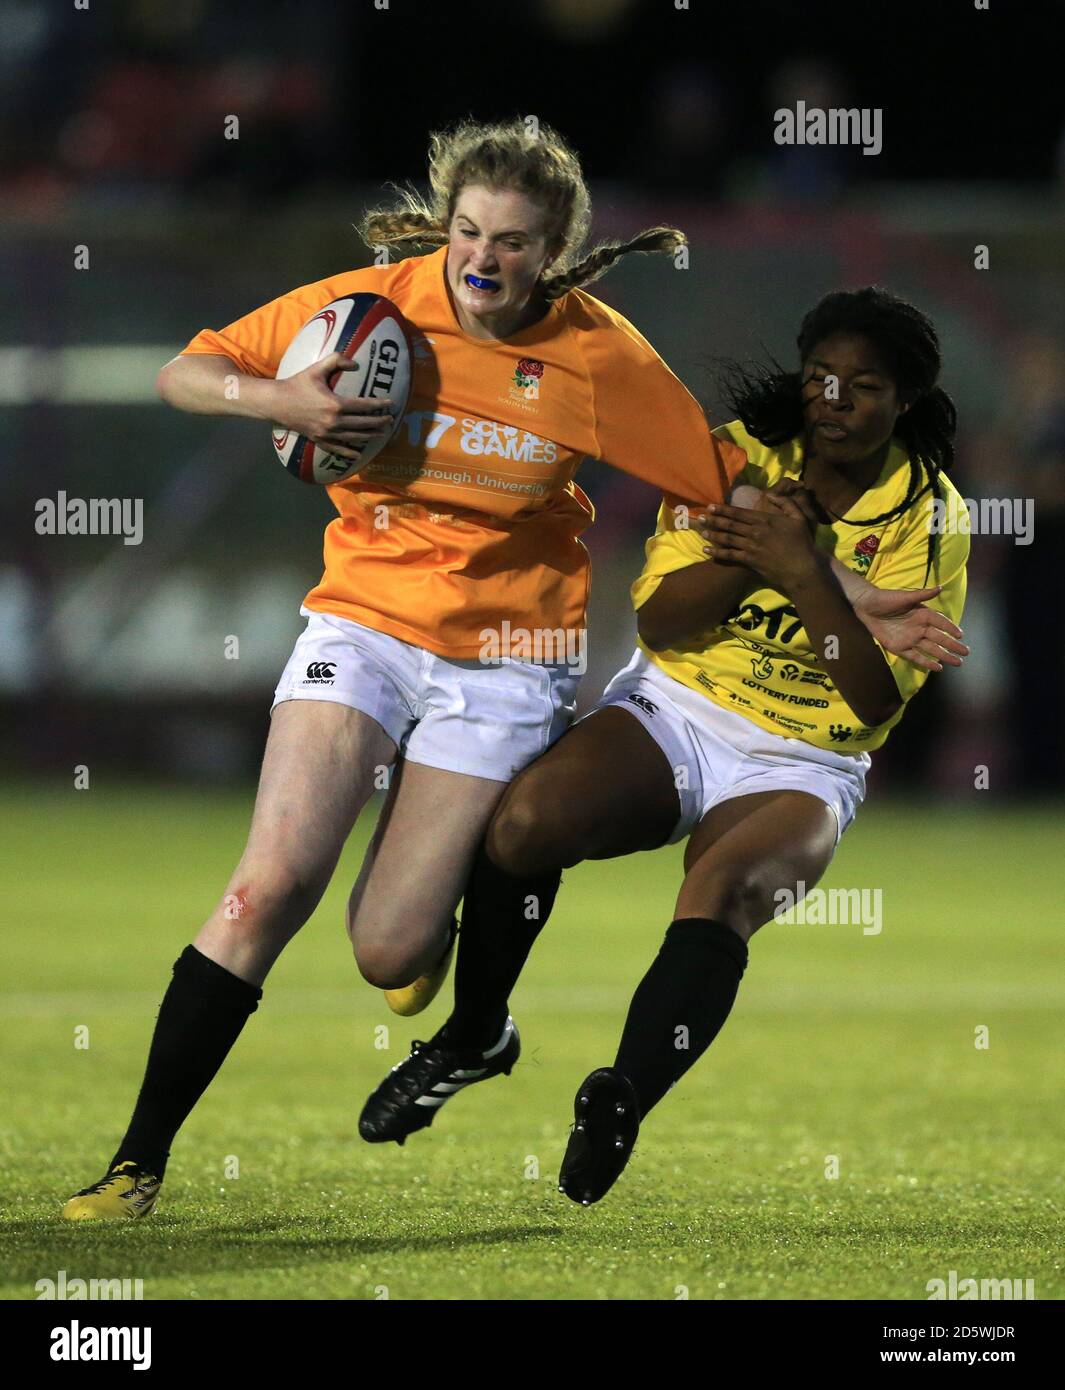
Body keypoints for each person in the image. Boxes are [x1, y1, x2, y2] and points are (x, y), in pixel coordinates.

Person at [61, 115, 758, 1220]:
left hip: (504, 658)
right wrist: (276, 398)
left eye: (516, 242)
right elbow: (185, 370)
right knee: (265, 883)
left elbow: (722, 489)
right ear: (445, 227)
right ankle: (136, 1163)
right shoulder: (377, 307)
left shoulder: (600, 358)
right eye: (470, 232)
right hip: (364, 626)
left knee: (387, 943)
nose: (485, 259)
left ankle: (473, 1013)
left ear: (557, 248)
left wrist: (843, 584)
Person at [359, 287, 970, 1209]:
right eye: (819, 377)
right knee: (524, 823)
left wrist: (800, 568)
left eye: (864, 386)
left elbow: (872, 698)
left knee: (723, 891)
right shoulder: (737, 456)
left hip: (806, 758)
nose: (834, 400)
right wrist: (755, 554)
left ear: (906, 403)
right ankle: (474, 1033)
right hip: (678, 707)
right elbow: (663, 620)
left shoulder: (930, 515)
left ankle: (621, 1095)